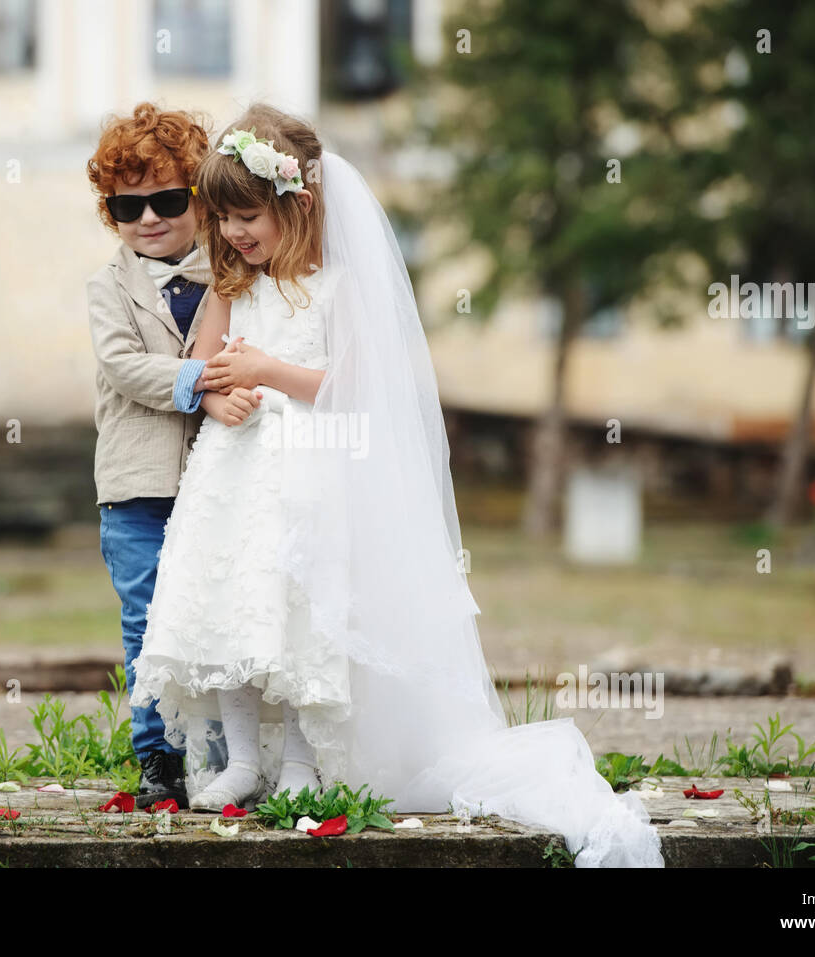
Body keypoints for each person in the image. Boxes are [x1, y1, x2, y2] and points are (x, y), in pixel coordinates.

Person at [130, 104, 664, 867]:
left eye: (247, 216)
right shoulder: (227, 284)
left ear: (295, 206)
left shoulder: (335, 286)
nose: (235, 234)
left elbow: (351, 384)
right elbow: (206, 363)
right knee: (231, 609)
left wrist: (267, 372)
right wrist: (221, 394)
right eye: (223, 218)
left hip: (307, 470)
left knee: (296, 614)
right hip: (234, 470)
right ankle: (242, 759)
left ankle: (300, 765)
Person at [85, 102, 224, 809]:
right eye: (127, 205)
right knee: (148, 623)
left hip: (213, 482)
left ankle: (223, 753)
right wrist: (200, 380)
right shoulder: (108, 288)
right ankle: (158, 758)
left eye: (168, 199)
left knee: (216, 614)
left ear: (199, 198)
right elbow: (123, 366)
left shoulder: (230, 279)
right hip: (136, 489)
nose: (148, 218)